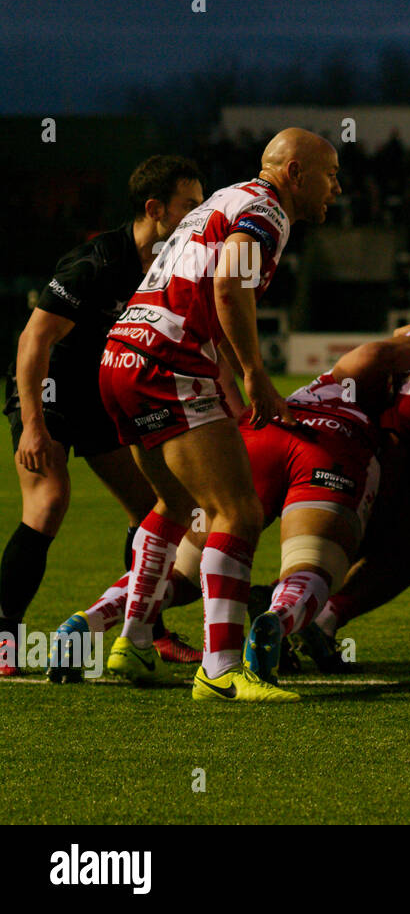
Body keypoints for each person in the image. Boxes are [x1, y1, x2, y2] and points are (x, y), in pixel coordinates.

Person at [98, 128, 340, 703]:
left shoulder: (224, 199)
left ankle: (131, 639)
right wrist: (254, 373)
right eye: (330, 175)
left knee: (175, 504)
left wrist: (228, 370)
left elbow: (209, 288)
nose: (336, 188)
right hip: (168, 361)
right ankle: (222, 668)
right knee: (238, 511)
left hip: (122, 353)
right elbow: (231, 285)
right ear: (296, 173)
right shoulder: (266, 211)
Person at [1, 156, 204, 675]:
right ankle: (4, 636)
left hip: (99, 394)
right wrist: (32, 424)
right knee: (48, 501)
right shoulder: (94, 263)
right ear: (154, 209)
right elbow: (34, 340)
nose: (199, 215)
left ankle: (146, 632)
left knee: (152, 509)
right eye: (189, 205)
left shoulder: (170, 264)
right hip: (46, 388)